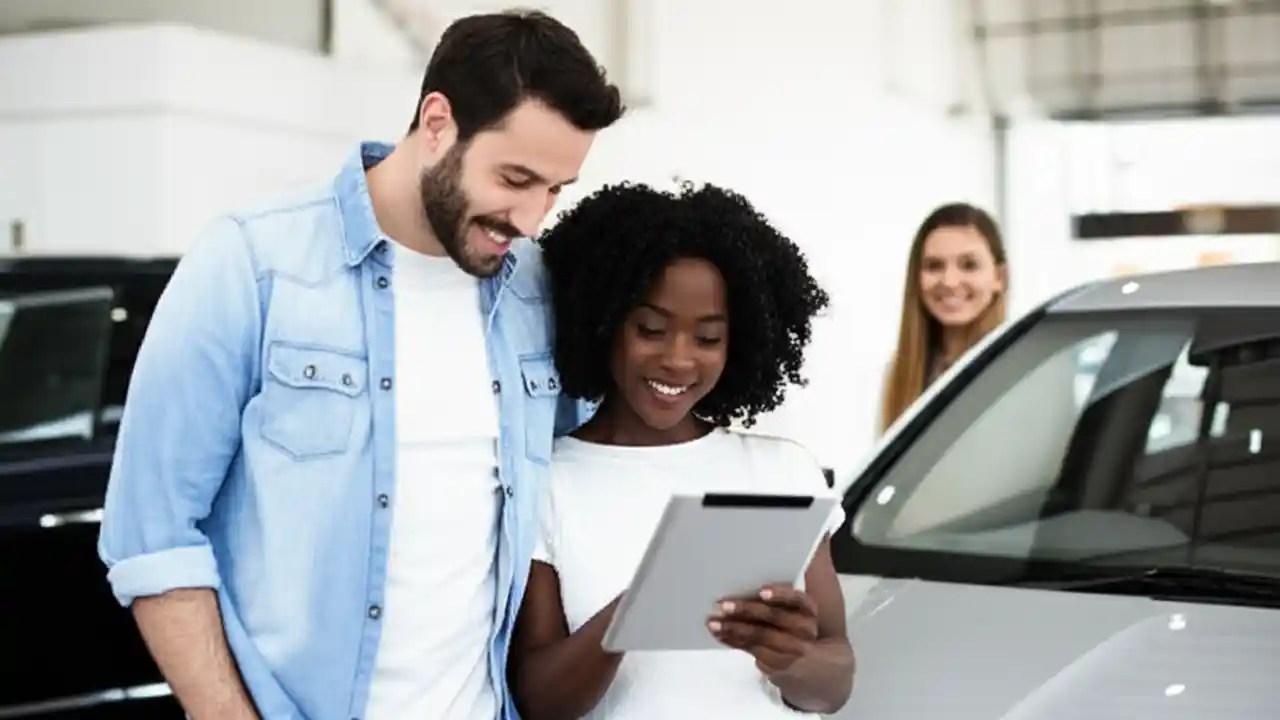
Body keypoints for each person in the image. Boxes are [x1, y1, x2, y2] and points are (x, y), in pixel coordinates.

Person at [96, 10, 623, 720]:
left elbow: (587, 489)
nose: (532, 218)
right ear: (437, 123)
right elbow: (151, 533)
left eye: (556, 189)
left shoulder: (540, 290)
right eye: (516, 177)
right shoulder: (252, 264)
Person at [508, 181, 854, 719]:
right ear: (602, 322)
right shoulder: (549, 481)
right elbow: (539, 702)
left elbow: (834, 685)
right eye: (650, 329)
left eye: (709, 338)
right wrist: (638, 610)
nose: (678, 360)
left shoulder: (783, 471)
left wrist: (789, 660)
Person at [879, 202, 1008, 432]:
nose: (949, 281)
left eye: (969, 265)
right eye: (934, 266)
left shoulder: (1022, 365)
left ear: (1000, 277)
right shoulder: (901, 371)